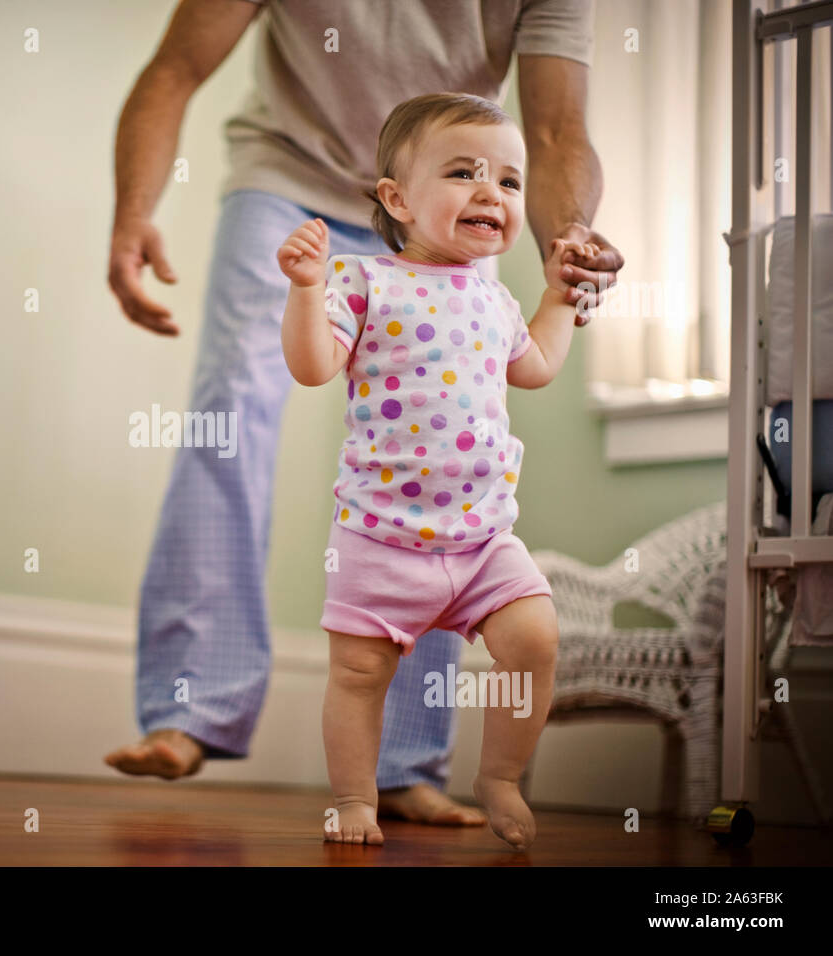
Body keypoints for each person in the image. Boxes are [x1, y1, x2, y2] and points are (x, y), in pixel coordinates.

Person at [105, 0, 623, 827]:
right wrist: (133, 216)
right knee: (230, 410)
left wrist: (571, 248)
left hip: (452, 205)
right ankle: (191, 705)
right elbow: (174, 69)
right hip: (291, 179)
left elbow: (555, 133)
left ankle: (405, 764)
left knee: (444, 465)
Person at [281, 92, 592, 847]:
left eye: (510, 183)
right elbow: (313, 365)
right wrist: (305, 289)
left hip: (484, 536)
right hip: (381, 535)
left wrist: (557, 296)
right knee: (359, 678)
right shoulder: (363, 281)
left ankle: (498, 776)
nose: (492, 192)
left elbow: (539, 365)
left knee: (537, 638)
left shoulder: (497, 300)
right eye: (464, 173)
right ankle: (356, 798)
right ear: (398, 199)